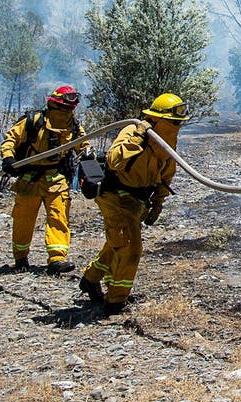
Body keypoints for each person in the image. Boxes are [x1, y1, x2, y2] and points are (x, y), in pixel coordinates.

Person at [78, 93, 188, 315]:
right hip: (115, 195)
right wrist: (138, 137)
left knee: (118, 242)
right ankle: (116, 301)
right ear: (156, 119)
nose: (176, 126)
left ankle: (90, 278)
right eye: (173, 122)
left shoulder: (167, 141)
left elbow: (166, 174)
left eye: (179, 123)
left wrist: (158, 202)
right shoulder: (133, 131)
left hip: (137, 200)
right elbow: (114, 161)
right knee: (131, 247)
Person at [0, 85, 91, 274]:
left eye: (70, 108)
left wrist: (89, 155)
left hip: (56, 179)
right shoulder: (34, 121)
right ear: (54, 104)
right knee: (23, 220)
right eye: (64, 107)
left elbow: (83, 144)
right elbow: (10, 140)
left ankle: (57, 259)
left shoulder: (73, 125)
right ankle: (21, 257)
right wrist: (8, 159)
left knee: (59, 217)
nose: (66, 111)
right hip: (30, 179)